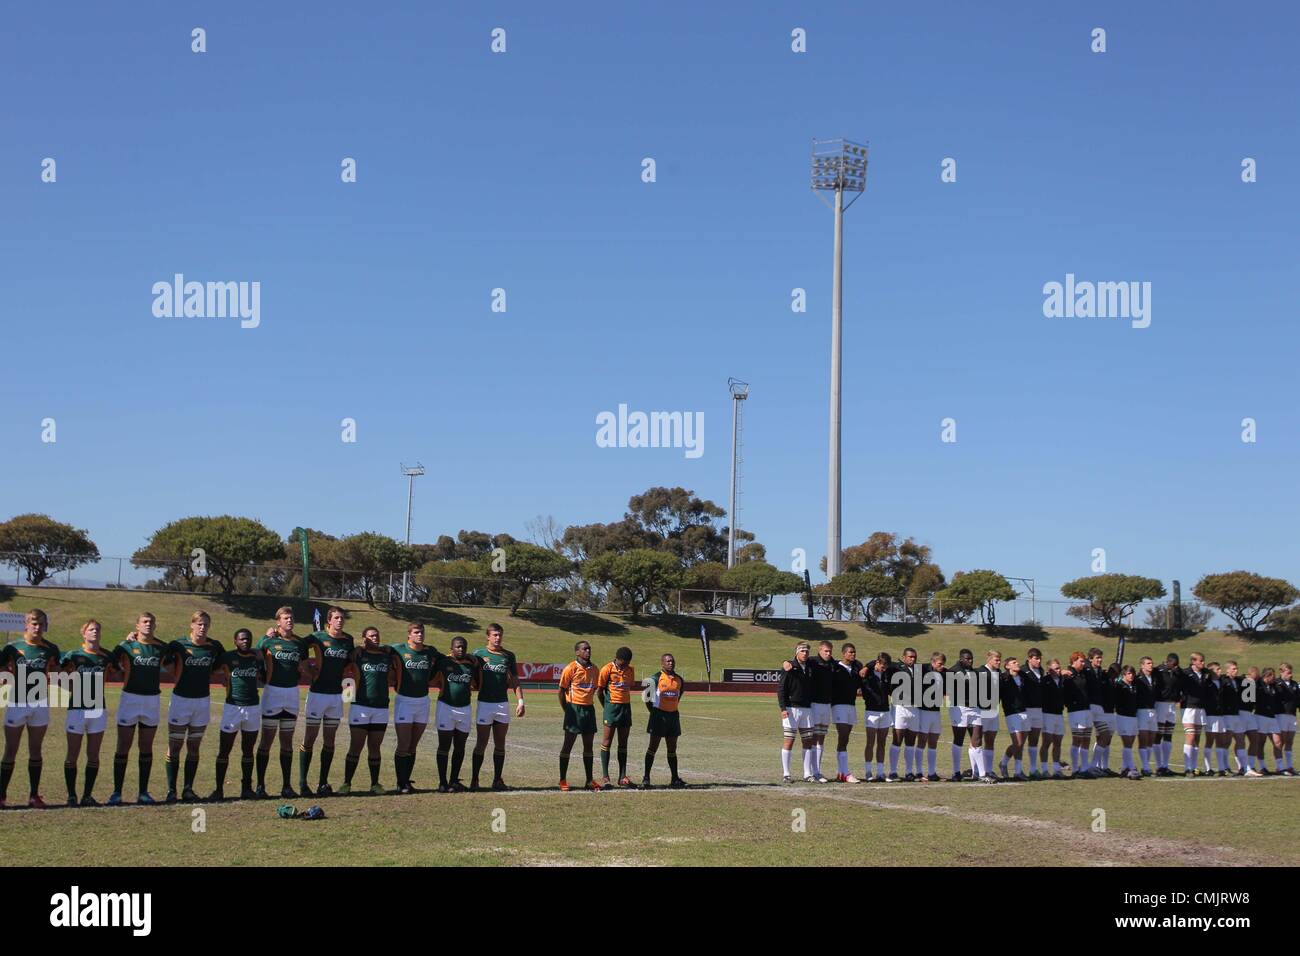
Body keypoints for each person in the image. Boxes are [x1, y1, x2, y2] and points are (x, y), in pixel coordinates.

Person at [0, 609, 60, 808]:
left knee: (36, 750)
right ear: (26, 624)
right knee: (10, 750)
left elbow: (57, 669)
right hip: (17, 703)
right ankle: (1, 795)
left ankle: (34, 796)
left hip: (40, 704)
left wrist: (54, 677)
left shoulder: (51, 648)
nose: (37, 627)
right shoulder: (12, 648)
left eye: (41, 624)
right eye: (34, 623)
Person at [257, 607, 319, 798]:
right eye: (286, 618)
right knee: (266, 740)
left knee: (287, 742)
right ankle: (260, 786)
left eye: (291, 618)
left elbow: (302, 665)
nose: (289, 620)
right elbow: (257, 650)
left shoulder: (299, 644)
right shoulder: (268, 641)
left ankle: (286, 786)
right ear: (278, 622)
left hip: (292, 694)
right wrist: (264, 635)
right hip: (272, 693)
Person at [108, 612, 169, 805]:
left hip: (152, 700)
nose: (148, 624)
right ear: (137, 626)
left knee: (146, 747)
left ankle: (143, 792)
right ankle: (117, 792)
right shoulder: (125, 646)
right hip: (130, 699)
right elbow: (111, 662)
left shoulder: (161, 648)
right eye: (144, 622)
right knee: (123, 746)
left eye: (151, 622)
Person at [164, 611, 224, 803]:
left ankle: (188, 789)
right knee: (174, 745)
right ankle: (171, 790)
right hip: (180, 700)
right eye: (199, 624)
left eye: (206, 624)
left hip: (202, 701)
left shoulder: (214, 646)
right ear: (191, 625)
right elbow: (164, 662)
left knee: (194, 746)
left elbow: (223, 664)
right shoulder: (178, 645)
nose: (202, 628)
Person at [59, 619, 117, 806]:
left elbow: (119, 670)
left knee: (93, 754)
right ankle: (71, 795)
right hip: (77, 709)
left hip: (98, 709)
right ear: (84, 634)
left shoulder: (107, 656)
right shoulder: (73, 655)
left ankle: (87, 795)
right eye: (91, 629)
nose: (95, 632)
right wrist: (73, 688)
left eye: (98, 630)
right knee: (72, 754)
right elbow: (60, 676)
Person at [299, 606, 354, 796]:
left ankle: (323, 783)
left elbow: (349, 666)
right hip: (317, 695)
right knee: (310, 738)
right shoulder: (317, 637)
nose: (340, 621)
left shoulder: (348, 640)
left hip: (335, 696)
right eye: (336, 618)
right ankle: (303, 783)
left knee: (330, 741)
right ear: (328, 621)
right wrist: (308, 670)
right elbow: (297, 648)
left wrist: (348, 692)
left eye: (342, 618)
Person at [339, 627, 398, 795]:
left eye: (377, 635)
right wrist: (347, 696)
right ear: (364, 639)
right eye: (371, 636)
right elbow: (346, 672)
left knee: (375, 746)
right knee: (356, 746)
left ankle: (375, 784)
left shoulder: (386, 655)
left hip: (381, 708)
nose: (375, 638)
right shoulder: (358, 655)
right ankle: (346, 783)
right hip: (360, 707)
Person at [210, 628, 265, 801]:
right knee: (224, 750)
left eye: (248, 639)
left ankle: (246, 788)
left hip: (253, 708)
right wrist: (223, 678)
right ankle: (218, 789)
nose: (245, 642)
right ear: (235, 641)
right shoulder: (227, 657)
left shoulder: (256, 658)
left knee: (248, 750)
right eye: (241, 639)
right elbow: (212, 668)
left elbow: (263, 678)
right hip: (232, 707)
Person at [471, 623, 524, 792]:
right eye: (494, 635)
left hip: (502, 703)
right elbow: (470, 675)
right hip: (484, 704)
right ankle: (474, 779)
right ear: (488, 636)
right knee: (481, 743)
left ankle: (497, 780)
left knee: (500, 743)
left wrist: (520, 701)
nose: (497, 638)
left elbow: (514, 680)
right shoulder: (478, 654)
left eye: (500, 635)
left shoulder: (508, 656)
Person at [392, 623, 442, 794]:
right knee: (403, 744)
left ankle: (407, 781)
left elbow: (445, 661)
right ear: (409, 634)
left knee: (413, 745)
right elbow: (380, 651)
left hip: (423, 701)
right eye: (416, 632)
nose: (420, 635)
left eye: (422, 632)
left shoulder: (430, 651)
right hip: (404, 701)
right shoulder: (398, 649)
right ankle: (400, 783)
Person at [433, 636, 478, 792]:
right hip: (446, 707)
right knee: (444, 745)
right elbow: (432, 678)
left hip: (465, 709)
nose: (461, 649)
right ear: (451, 648)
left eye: (464, 647)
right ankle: (442, 782)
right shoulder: (444, 663)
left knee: (460, 746)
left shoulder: (471, 664)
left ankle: (453, 781)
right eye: (458, 647)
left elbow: (476, 682)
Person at [558, 640, 599, 792]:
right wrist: (567, 710)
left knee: (588, 746)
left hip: (589, 710)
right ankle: (562, 779)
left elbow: (594, 688)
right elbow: (561, 691)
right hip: (573, 709)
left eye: (589, 649)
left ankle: (589, 780)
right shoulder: (571, 668)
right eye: (585, 649)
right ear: (577, 652)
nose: (588, 651)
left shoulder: (595, 669)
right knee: (567, 745)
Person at [643, 653, 686, 789]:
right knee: (652, 747)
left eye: (672, 661)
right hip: (658, 717)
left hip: (673, 717)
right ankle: (646, 778)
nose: (670, 663)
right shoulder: (654, 679)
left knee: (672, 748)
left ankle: (674, 778)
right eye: (667, 661)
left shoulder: (679, 680)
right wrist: (655, 712)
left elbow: (678, 696)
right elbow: (647, 699)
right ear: (662, 663)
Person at [596, 647, 636, 789]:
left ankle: (622, 776)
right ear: (617, 658)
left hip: (626, 708)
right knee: (607, 742)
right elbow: (599, 691)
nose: (625, 665)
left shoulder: (630, 670)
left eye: (628, 663)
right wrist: (607, 707)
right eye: (623, 662)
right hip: (612, 708)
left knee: (623, 742)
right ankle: (606, 777)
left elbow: (629, 686)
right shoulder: (606, 669)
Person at [777, 643, 816, 784]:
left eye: (807, 651)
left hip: (807, 709)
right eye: (802, 651)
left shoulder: (811, 666)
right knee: (789, 741)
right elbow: (781, 690)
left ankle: (807, 774)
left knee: (807, 741)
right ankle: (786, 774)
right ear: (797, 652)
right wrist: (783, 709)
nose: (805, 653)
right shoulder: (789, 667)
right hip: (791, 709)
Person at [888, 647, 922, 782]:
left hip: (915, 708)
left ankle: (909, 772)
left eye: (914, 657)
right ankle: (893, 771)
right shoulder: (896, 667)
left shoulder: (919, 669)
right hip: (900, 708)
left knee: (911, 741)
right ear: (903, 657)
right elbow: (880, 660)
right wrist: (867, 666)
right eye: (910, 657)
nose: (912, 659)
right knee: (897, 739)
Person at [830, 643, 862, 782]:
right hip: (839, 706)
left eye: (854, 652)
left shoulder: (856, 668)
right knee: (843, 737)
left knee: (846, 739)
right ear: (844, 653)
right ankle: (845, 772)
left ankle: (841, 773)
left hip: (851, 706)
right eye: (850, 652)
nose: (853, 654)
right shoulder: (836, 667)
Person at [946, 648, 977, 781]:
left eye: (971, 658)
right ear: (961, 659)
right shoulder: (953, 671)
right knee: (959, 739)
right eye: (967, 659)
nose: (970, 661)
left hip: (973, 708)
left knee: (975, 739)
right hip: (959, 708)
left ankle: (976, 771)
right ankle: (956, 772)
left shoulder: (973, 671)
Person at [1178, 652, 1210, 776]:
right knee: (1190, 736)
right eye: (1200, 661)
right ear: (1193, 661)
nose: (1203, 663)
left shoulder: (1204, 674)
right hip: (1188, 707)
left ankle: (1194, 767)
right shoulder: (1186, 673)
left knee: (1197, 738)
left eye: (1203, 661)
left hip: (1200, 708)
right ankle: (1187, 768)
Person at [1085, 649, 1116, 776]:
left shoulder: (1101, 673)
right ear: (1090, 658)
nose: (1100, 660)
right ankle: (1082, 768)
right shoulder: (1086, 670)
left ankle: (1094, 766)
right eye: (1097, 657)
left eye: (1101, 657)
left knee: (1105, 736)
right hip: (1086, 707)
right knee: (1082, 738)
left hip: (1098, 708)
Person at [1063, 651, 1094, 779]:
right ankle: (1075, 768)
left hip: (1087, 709)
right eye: (1081, 661)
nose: (1083, 663)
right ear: (1074, 661)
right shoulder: (1068, 674)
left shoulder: (1084, 673)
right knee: (1078, 739)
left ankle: (1085, 767)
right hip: (1076, 710)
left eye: (1084, 661)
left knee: (1087, 738)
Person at [861, 655, 891, 782]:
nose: (883, 669)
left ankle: (880, 772)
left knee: (882, 743)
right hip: (871, 712)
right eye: (882, 666)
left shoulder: (886, 674)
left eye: (885, 667)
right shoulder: (868, 674)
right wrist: (868, 665)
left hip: (885, 711)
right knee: (870, 742)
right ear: (877, 663)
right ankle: (868, 771)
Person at [997, 656, 1028, 780]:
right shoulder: (1003, 678)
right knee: (1018, 743)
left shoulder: (1022, 676)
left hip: (1025, 712)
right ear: (1007, 666)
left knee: (1020, 744)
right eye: (1014, 662)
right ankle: (1018, 772)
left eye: (1017, 661)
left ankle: (1003, 763)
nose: (1017, 664)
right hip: (1012, 713)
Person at [917, 652, 945, 782]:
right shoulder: (923, 669)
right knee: (922, 741)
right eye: (939, 663)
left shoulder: (944, 673)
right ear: (933, 662)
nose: (942, 666)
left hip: (936, 712)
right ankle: (918, 772)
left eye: (943, 664)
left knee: (933, 742)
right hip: (924, 711)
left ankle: (932, 772)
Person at [1152, 653, 1180, 776]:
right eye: (1172, 665)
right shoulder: (1159, 671)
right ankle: (1159, 766)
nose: (1174, 667)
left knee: (1168, 735)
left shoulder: (1176, 672)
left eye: (1176, 666)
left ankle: (1165, 765)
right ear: (1167, 662)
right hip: (1161, 704)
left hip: (1172, 705)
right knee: (1159, 735)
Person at [976, 650, 1002, 783]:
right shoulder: (980, 671)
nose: (999, 662)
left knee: (990, 741)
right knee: (977, 741)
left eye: (999, 660)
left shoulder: (998, 673)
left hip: (994, 710)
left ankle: (989, 769)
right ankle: (977, 770)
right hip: (981, 711)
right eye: (996, 660)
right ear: (989, 659)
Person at [1039, 659, 1068, 778]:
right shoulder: (1044, 681)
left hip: (1059, 714)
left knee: (1058, 742)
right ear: (1049, 670)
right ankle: (1044, 769)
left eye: (1059, 668)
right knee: (1046, 742)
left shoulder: (1062, 680)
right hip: (1047, 714)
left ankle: (1057, 769)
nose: (1059, 670)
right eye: (1056, 668)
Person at [1113, 665, 1141, 780]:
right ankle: (1132, 768)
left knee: (1130, 743)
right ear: (1124, 674)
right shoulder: (1119, 686)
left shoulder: (1134, 686)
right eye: (1129, 674)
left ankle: (1125, 768)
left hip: (1133, 717)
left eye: (1132, 673)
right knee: (1127, 742)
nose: (1131, 676)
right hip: (1122, 717)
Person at [1021, 649, 1046, 778]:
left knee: (1034, 740)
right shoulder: (1022, 671)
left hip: (1038, 710)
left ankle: (1033, 769)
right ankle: (1004, 761)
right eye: (1036, 658)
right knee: (1020, 741)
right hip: (1026, 710)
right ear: (1029, 658)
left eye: (1040, 658)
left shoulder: (1041, 671)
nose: (1039, 661)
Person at [1252, 667, 1281, 776]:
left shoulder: (1273, 686)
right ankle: (1262, 766)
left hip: (1272, 717)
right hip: (1260, 716)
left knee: (1278, 742)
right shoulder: (1258, 684)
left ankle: (1280, 767)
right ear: (1267, 676)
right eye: (1273, 676)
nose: (1274, 678)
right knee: (1261, 742)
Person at [1135, 657, 1159, 776]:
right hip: (1142, 711)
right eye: (1148, 663)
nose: (1151, 665)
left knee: (1151, 739)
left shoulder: (1154, 678)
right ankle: (1145, 767)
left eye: (1151, 663)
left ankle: (1146, 765)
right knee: (1143, 739)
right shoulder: (1138, 679)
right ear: (1142, 666)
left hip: (1153, 711)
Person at [1274, 663, 1297, 775]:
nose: (1290, 675)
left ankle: (1289, 766)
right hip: (1281, 714)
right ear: (1282, 672)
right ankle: (1279, 766)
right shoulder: (1277, 683)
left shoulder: (1295, 684)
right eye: (1288, 672)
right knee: (1280, 742)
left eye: (1291, 672)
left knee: (1290, 741)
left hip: (1292, 715)